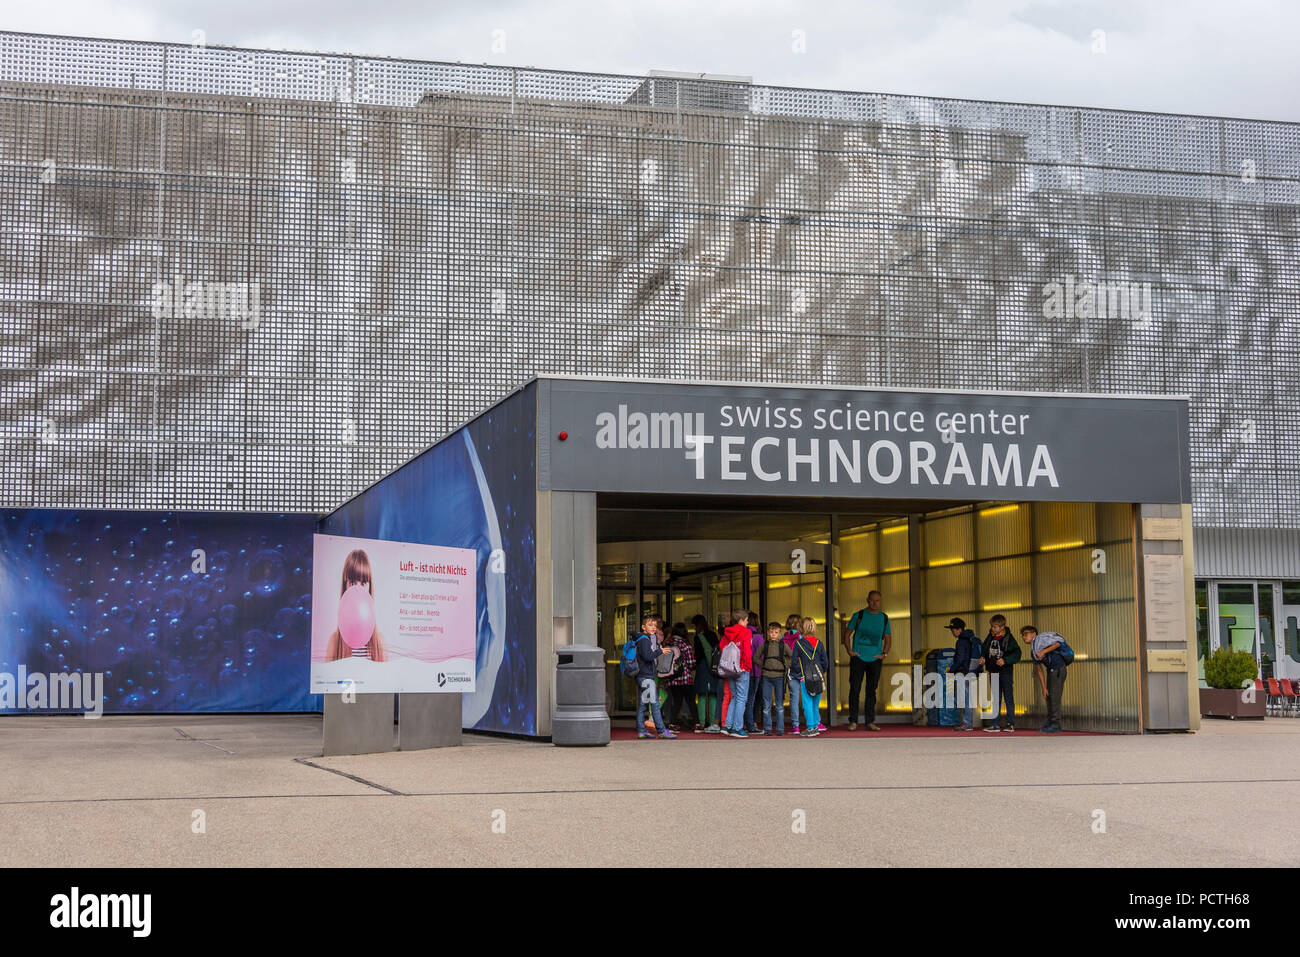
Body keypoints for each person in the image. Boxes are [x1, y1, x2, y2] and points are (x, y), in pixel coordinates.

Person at [325, 549, 388, 661]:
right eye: (352, 583)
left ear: (370, 587)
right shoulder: (334, 642)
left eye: (363, 583)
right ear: (345, 586)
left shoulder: (380, 643)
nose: (358, 589)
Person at [843, 590, 890, 732]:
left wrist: (884, 653)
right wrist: (849, 651)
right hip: (858, 658)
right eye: (872, 600)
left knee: (871, 691)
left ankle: (870, 721)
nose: (875, 603)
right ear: (867, 600)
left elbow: (888, 638)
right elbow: (847, 634)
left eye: (877, 601)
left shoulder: (884, 618)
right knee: (855, 689)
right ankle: (853, 721)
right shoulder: (859, 615)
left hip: (875, 659)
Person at [634, 616, 676, 739]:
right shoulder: (644, 640)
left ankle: (642, 731)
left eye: (655, 625)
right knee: (655, 703)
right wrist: (660, 651)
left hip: (642, 676)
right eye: (650, 625)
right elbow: (648, 656)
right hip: (646, 677)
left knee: (643, 704)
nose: (653, 627)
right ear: (643, 627)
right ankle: (662, 730)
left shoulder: (642, 639)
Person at [982, 614, 1021, 732]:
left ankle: (1010, 724)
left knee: (1008, 697)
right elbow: (985, 650)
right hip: (993, 672)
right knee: (995, 698)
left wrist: (1005, 660)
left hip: (1005, 672)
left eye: (995, 627)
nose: (993, 629)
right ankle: (995, 724)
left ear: (1003, 626)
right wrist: (983, 658)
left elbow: (1017, 653)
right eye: (992, 627)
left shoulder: (1009, 639)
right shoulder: (990, 637)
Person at [1025, 625, 1067, 734]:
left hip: (1058, 668)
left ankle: (1056, 723)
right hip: (1050, 670)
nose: (1024, 637)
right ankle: (1050, 720)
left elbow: (1059, 643)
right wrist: (1044, 688)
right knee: (1049, 696)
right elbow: (1039, 670)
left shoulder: (1041, 640)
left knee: (1055, 696)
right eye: (1022, 635)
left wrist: (1044, 651)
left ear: (1034, 633)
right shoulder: (1033, 650)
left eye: (1026, 634)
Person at [791, 617, 829, 737]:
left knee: (807, 703)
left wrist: (799, 674)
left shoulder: (798, 644)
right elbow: (825, 662)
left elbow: (794, 663)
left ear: (800, 628)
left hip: (805, 678)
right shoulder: (819, 643)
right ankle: (816, 725)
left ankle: (811, 727)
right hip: (818, 677)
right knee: (815, 704)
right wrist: (821, 672)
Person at [945, 617, 983, 731]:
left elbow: (960, 659)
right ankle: (967, 721)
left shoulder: (961, 642)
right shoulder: (971, 639)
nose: (952, 632)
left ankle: (967, 722)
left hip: (964, 672)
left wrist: (951, 670)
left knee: (965, 697)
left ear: (959, 629)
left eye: (953, 629)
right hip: (972, 671)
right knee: (966, 696)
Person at [720, 609, 753, 738]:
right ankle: (737, 728)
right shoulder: (746, 632)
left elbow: (722, 648)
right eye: (746, 620)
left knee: (734, 697)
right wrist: (746, 666)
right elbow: (746, 650)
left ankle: (727, 726)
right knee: (741, 698)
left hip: (729, 669)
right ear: (740, 621)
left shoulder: (726, 633)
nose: (747, 623)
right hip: (741, 669)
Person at [756, 620, 789, 735]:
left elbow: (792, 656)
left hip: (779, 677)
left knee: (779, 705)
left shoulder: (783, 646)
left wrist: (786, 666)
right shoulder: (764, 645)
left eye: (776, 632)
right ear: (768, 633)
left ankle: (780, 729)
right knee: (766, 704)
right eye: (771, 632)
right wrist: (763, 665)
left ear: (780, 634)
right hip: (766, 677)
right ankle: (768, 729)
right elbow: (755, 657)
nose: (773, 634)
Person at [664, 621, 697, 731]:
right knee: (691, 701)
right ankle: (696, 723)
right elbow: (692, 663)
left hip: (672, 679)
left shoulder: (668, 644)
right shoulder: (685, 644)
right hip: (685, 678)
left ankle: (672, 723)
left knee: (676, 701)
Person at [691, 614, 722, 733]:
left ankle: (702, 722)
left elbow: (698, 655)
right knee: (713, 695)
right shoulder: (713, 635)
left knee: (702, 695)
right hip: (714, 666)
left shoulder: (698, 637)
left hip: (703, 666)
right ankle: (714, 722)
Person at [782, 614, 803, 733]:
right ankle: (813, 722)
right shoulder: (800, 637)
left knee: (793, 698)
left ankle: (796, 725)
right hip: (801, 669)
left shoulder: (782, 638)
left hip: (789, 670)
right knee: (807, 697)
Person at [745, 611, 764, 733]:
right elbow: (762, 656)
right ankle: (751, 725)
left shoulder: (743, 634)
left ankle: (742, 723)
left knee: (743, 698)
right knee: (752, 698)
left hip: (743, 670)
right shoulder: (758, 637)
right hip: (755, 671)